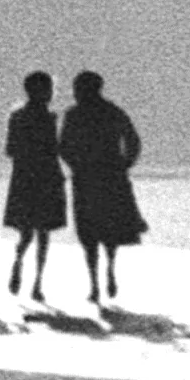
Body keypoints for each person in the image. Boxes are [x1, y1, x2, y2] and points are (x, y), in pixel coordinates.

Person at [58, 69, 145, 304]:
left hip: (87, 178)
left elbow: (63, 146)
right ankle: (108, 271)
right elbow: (133, 141)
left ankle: (96, 283)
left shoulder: (74, 114)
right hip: (110, 177)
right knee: (109, 229)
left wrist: (76, 164)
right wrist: (124, 164)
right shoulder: (112, 111)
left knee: (89, 232)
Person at [2, 70, 67, 301]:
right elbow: (55, 150)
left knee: (26, 232)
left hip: (23, 178)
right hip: (47, 178)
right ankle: (37, 283)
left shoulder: (17, 116)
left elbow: (10, 150)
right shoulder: (50, 118)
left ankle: (19, 261)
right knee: (44, 233)